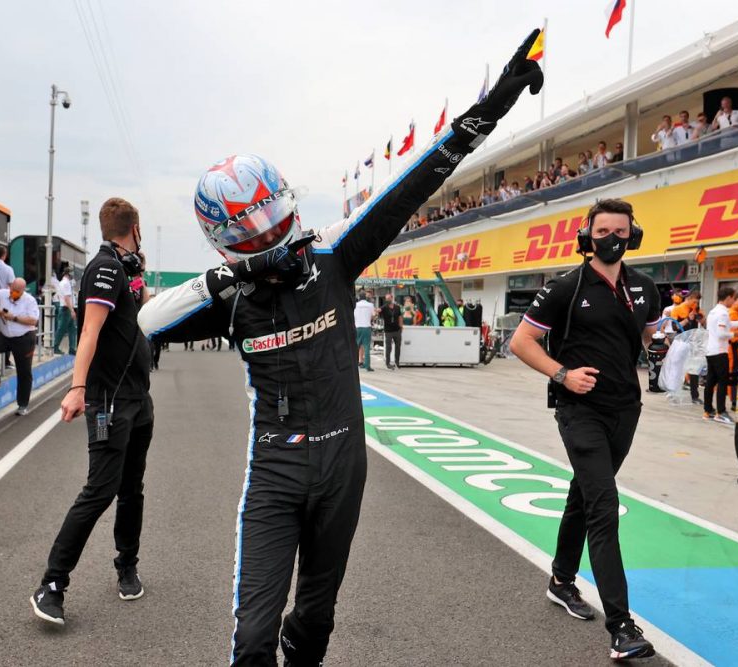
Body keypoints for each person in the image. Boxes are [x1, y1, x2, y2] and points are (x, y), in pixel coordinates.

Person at [135, 32, 542, 666]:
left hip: (344, 463)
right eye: (252, 233)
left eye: (274, 220)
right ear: (223, 243)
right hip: (274, 472)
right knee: (250, 645)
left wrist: (493, 106)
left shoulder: (335, 256)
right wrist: (225, 278)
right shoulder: (227, 295)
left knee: (316, 625)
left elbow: (414, 183)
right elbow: (146, 322)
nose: (271, 237)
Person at [510, 198, 660, 661]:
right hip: (579, 410)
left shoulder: (646, 287)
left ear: (632, 235)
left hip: (626, 410)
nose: (612, 239)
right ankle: (622, 627)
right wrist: (563, 374)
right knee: (603, 506)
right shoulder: (566, 287)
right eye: (603, 232)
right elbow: (521, 341)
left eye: (620, 231)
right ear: (588, 235)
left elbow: (647, 334)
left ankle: (560, 580)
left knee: (584, 495)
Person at [30, 197, 153, 626]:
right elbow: (90, 329)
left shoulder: (125, 270)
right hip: (110, 400)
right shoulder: (105, 268)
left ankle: (126, 565)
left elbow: (138, 324)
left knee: (131, 488)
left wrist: (138, 279)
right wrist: (77, 387)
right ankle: (52, 583)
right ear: (133, 228)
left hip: (139, 399)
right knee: (99, 491)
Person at [0, 278, 39, 414]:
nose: (13, 293)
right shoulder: (3, 294)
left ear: (23, 291)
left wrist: (14, 318)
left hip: (24, 339)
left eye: (17, 291)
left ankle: (22, 405)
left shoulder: (29, 301)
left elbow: (33, 320)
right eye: (12, 290)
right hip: (5, 337)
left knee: (24, 372)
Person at [703, 286, 738, 424]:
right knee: (722, 382)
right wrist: (735, 334)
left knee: (710, 381)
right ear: (728, 298)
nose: (733, 301)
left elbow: (727, 324)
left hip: (711, 350)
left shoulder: (714, 311)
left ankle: (708, 410)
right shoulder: (723, 313)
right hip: (720, 351)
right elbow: (721, 333)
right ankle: (721, 412)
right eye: (733, 298)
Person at [671, 290, 703, 404]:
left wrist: (700, 318)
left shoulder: (696, 309)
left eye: (698, 302)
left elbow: (704, 322)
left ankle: (695, 396)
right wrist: (688, 319)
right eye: (695, 301)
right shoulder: (677, 309)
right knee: (678, 368)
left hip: (693, 342)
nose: (696, 304)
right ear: (689, 299)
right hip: (681, 341)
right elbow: (674, 327)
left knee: (694, 369)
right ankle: (673, 393)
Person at [53, 264, 78, 355]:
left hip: (67, 308)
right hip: (66, 309)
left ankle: (72, 348)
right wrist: (72, 310)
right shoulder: (66, 283)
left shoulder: (64, 282)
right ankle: (55, 347)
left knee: (72, 329)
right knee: (61, 329)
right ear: (69, 274)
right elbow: (67, 298)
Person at [353, 291, 375, 372]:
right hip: (367, 327)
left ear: (359, 297)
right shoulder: (370, 305)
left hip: (357, 327)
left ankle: (353, 366)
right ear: (366, 297)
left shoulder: (355, 305)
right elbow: (373, 315)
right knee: (366, 347)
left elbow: (353, 316)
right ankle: (367, 366)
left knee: (356, 347)